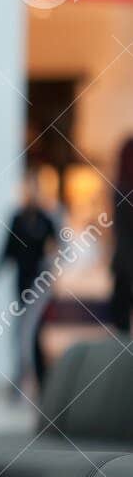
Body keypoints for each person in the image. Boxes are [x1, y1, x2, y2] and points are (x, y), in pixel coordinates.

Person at [0, 173, 59, 392]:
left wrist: (52, 274)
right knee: (21, 333)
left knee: (32, 332)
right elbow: (6, 252)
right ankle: (21, 380)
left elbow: (57, 249)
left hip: (39, 285)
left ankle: (40, 379)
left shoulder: (46, 219)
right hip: (21, 285)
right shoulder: (17, 218)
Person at [110, 137, 133, 334]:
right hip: (126, 268)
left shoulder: (120, 190)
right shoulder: (123, 192)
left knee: (122, 330)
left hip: (123, 267)